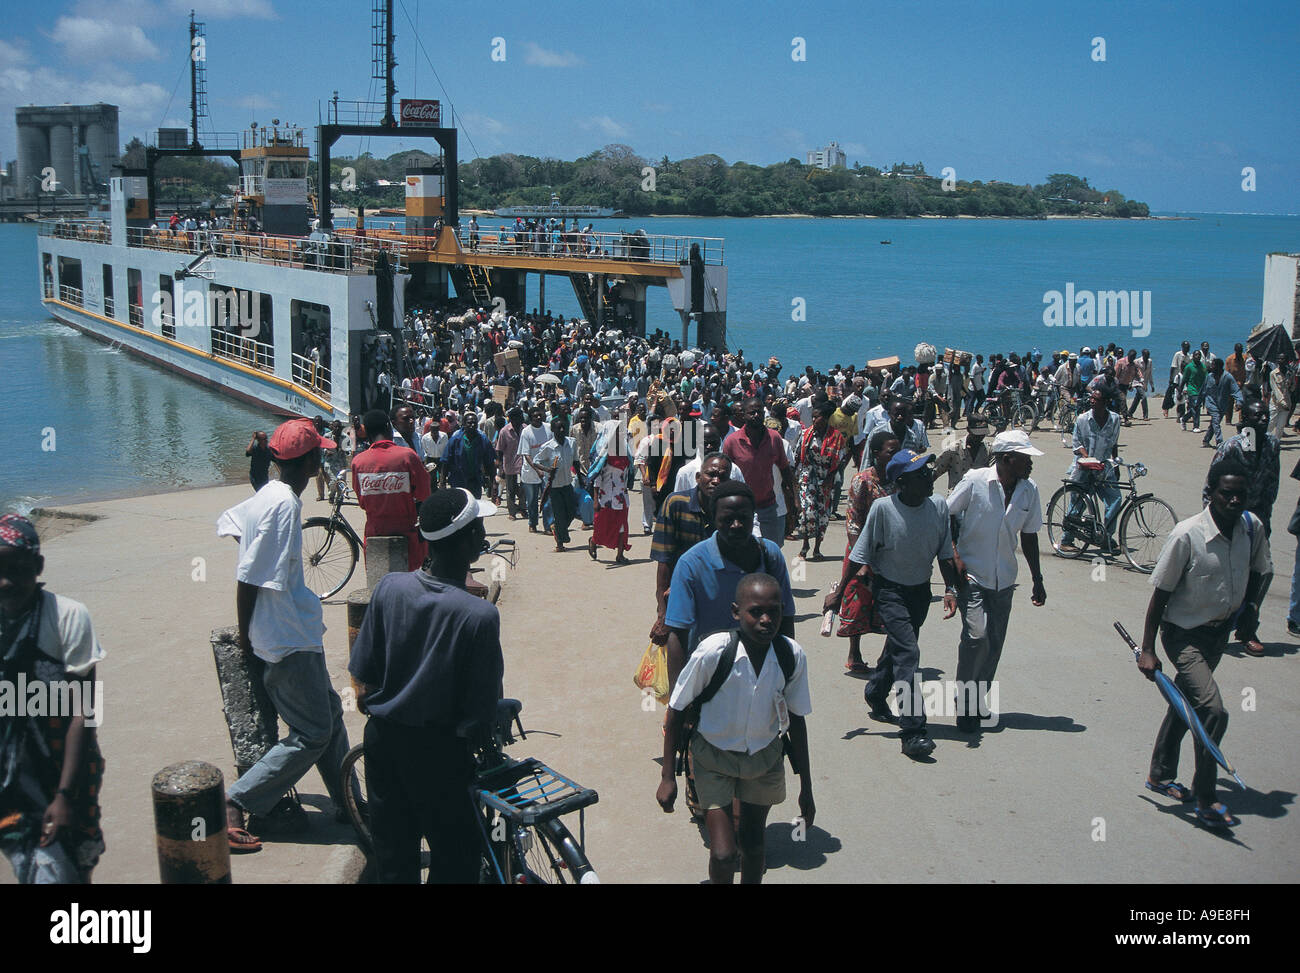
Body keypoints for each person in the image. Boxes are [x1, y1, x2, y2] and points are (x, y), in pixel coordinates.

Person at [348, 489, 503, 883]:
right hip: (439, 752)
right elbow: (480, 712)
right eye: (479, 527)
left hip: (383, 742)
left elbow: (363, 679)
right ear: (469, 541)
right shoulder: (479, 615)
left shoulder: (389, 588)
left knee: (394, 855)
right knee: (456, 856)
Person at [216, 419, 354, 852]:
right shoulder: (283, 506)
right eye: (321, 454)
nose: (324, 458)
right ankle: (234, 802)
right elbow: (249, 576)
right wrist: (246, 637)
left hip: (289, 634)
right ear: (311, 461)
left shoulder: (267, 496)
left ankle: (348, 800)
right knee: (313, 732)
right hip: (286, 638)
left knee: (329, 716)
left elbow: (230, 522)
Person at [656, 574, 813, 884]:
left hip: (764, 760)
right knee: (724, 854)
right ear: (735, 612)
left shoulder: (790, 655)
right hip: (713, 760)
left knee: (754, 847)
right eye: (756, 611)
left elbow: (797, 720)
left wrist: (806, 788)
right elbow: (676, 710)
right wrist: (666, 777)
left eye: (775, 612)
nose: (767, 620)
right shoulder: (714, 652)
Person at [1139, 461, 1269, 828]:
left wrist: (1252, 609)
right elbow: (1159, 596)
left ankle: (1160, 774)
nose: (1234, 500)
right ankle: (1207, 799)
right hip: (1183, 635)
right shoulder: (1187, 534)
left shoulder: (1251, 527)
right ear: (1210, 493)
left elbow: (1263, 569)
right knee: (1213, 710)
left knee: (1188, 703)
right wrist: (1147, 650)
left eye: (1241, 494)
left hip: (1219, 634)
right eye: (1226, 493)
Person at [0, 515, 106, 883]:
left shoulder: (67, 617)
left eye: (17, 569)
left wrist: (63, 794)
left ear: (39, 566)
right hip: (9, 781)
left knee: (69, 868)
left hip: (67, 772)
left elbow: (85, 712)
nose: (5, 581)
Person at [850, 449, 960, 759]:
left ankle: (875, 691)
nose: (930, 477)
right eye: (922, 474)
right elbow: (860, 555)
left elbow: (945, 553)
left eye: (929, 471)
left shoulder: (938, 506)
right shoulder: (884, 509)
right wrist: (839, 592)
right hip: (890, 591)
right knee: (909, 653)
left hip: (920, 592)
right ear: (902, 483)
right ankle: (913, 731)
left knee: (899, 648)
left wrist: (951, 589)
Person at [945, 430, 1048, 732]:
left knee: (994, 644)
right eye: (1025, 458)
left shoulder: (1029, 490)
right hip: (972, 574)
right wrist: (953, 553)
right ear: (1007, 459)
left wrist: (1037, 579)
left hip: (1005, 578)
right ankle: (965, 701)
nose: (1031, 464)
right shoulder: (976, 480)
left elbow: (1029, 537)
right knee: (976, 637)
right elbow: (946, 513)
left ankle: (977, 698)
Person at [663, 481, 795, 688]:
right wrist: (678, 700)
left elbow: (786, 619)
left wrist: (787, 677)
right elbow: (678, 635)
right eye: (727, 519)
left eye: (743, 518)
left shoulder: (770, 555)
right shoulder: (691, 564)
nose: (736, 525)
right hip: (707, 678)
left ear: (754, 516)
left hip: (762, 676)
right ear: (714, 519)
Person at [1203, 399, 1280, 657]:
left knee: (1262, 573)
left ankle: (1247, 628)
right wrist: (1213, 522)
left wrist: (1265, 522)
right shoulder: (1232, 447)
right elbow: (1210, 487)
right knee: (1226, 576)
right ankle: (1215, 627)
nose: (1263, 420)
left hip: (1258, 519)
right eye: (1256, 417)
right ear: (1244, 420)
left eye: (1264, 416)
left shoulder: (1272, 444)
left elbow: (1272, 484)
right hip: (1230, 518)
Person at [823, 430, 901, 673]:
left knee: (891, 602)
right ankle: (854, 652)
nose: (895, 456)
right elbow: (853, 522)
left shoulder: (900, 479)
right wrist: (862, 560)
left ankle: (886, 658)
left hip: (891, 550)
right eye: (891, 452)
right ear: (877, 454)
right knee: (857, 598)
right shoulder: (862, 480)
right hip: (862, 548)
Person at [351, 409, 431, 572]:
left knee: (380, 585)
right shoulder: (407, 456)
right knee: (410, 584)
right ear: (389, 427)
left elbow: (362, 502)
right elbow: (424, 493)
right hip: (407, 533)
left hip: (375, 533)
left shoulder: (358, 462)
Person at [723, 397, 796, 546]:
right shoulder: (732, 441)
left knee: (772, 551)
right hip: (741, 508)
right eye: (752, 413)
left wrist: (795, 500)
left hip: (768, 506)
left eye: (760, 412)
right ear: (743, 415)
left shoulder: (774, 438)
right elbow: (725, 476)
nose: (756, 415)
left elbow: (785, 470)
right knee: (743, 551)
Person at [1061, 389, 1123, 550]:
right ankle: (1066, 541)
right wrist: (1088, 459)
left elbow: (1114, 442)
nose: (1092, 401)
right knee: (1078, 503)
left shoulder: (1115, 419)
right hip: (1083, 468)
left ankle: (1106, 536)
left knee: (1115, 499)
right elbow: (1077, 443)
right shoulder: (1083, 419)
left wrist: (1115, 464)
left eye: (1096, 399)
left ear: (1106, 402)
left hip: (1104, 468)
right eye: (1092, 398)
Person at [794, 401, 846, 561]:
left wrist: (832, 476)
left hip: (826, 479)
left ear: (825, 418)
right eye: (813, 417)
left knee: (822, 515)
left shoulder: (836, 437)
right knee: (807, 512)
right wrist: (794, 480)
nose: (814, 420)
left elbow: (841, 459)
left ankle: (817, 548)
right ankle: (804, 546)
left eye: (817, 417)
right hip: (808, 477)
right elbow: (797, 456)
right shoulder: (806, 434)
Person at [531, 416, 580, 552]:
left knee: (571, 512)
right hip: (554, 487)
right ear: (553, 430)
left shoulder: (572, 443)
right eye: (559, 427)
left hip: (568, 484)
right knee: (559, 514)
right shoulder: (548, 447)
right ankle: (560, 543)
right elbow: (536, 461)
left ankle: (557, 529)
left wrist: (581, 478)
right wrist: (547, 470)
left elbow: (576, 460)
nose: (562, 430)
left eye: (564, 427)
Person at [588, 421, 632, 563]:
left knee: (622, 526)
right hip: (605, 496)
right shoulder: (603, 454)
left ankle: (620, 555)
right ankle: (594, 541)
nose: (620, 434)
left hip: (622, 496)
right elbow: (597, 478)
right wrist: (595, 499)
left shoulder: (626, 451)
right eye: (617, 431)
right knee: (602, 526)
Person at [440, 411, 495, 500]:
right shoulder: (455, 440)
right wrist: (442, 483)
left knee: (475, 507)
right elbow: (445, 462)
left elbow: (489, 463)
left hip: (475, 482)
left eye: (474, 423)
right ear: (464, 424)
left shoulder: (483, 440)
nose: (472, 425)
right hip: (458, 481)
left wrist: (493, 483)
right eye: (469, 423)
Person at [931, 413, 991, 491]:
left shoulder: (989, 449)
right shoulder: (954, 449)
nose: (980, 437)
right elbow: (935, 471)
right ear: (968, 430)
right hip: (957, 495)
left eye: (983, 433)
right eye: (977, 434)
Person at [517, 406, 550, 533]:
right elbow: (526, 454)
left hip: (546, 471)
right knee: (531, 501)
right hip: (530, 472)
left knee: (547, 499)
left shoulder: (548, 428)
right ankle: (533, 523)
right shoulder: (526, 432)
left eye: (539, 415)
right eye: (535, 416)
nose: (538, 417)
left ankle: (548, 525)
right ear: (530, 418)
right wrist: (537, 470)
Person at [1200, 358, 1242, 449]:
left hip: (1223, 404)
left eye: (1213, 365)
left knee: (1214, 423)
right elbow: (1203, 390)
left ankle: (1206, 440)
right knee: (1216, 420)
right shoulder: (1209, 376)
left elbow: (1236, 390)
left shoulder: (1228, 377)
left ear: (1219, 367)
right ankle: (1220, 442)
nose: (1211, 367)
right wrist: (1199, 402)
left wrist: (1239, 401)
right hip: (1211, 402)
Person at [495, 407, 525, 520]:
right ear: (512, 419)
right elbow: (499, 450)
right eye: (519, 417)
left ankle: (523, 508)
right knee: (510, 489)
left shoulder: (525, 429)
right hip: (509, 464)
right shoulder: (504, 431)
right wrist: (500, 467)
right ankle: (512, 512)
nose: (521, 419)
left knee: (524, 488)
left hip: (524, 464)